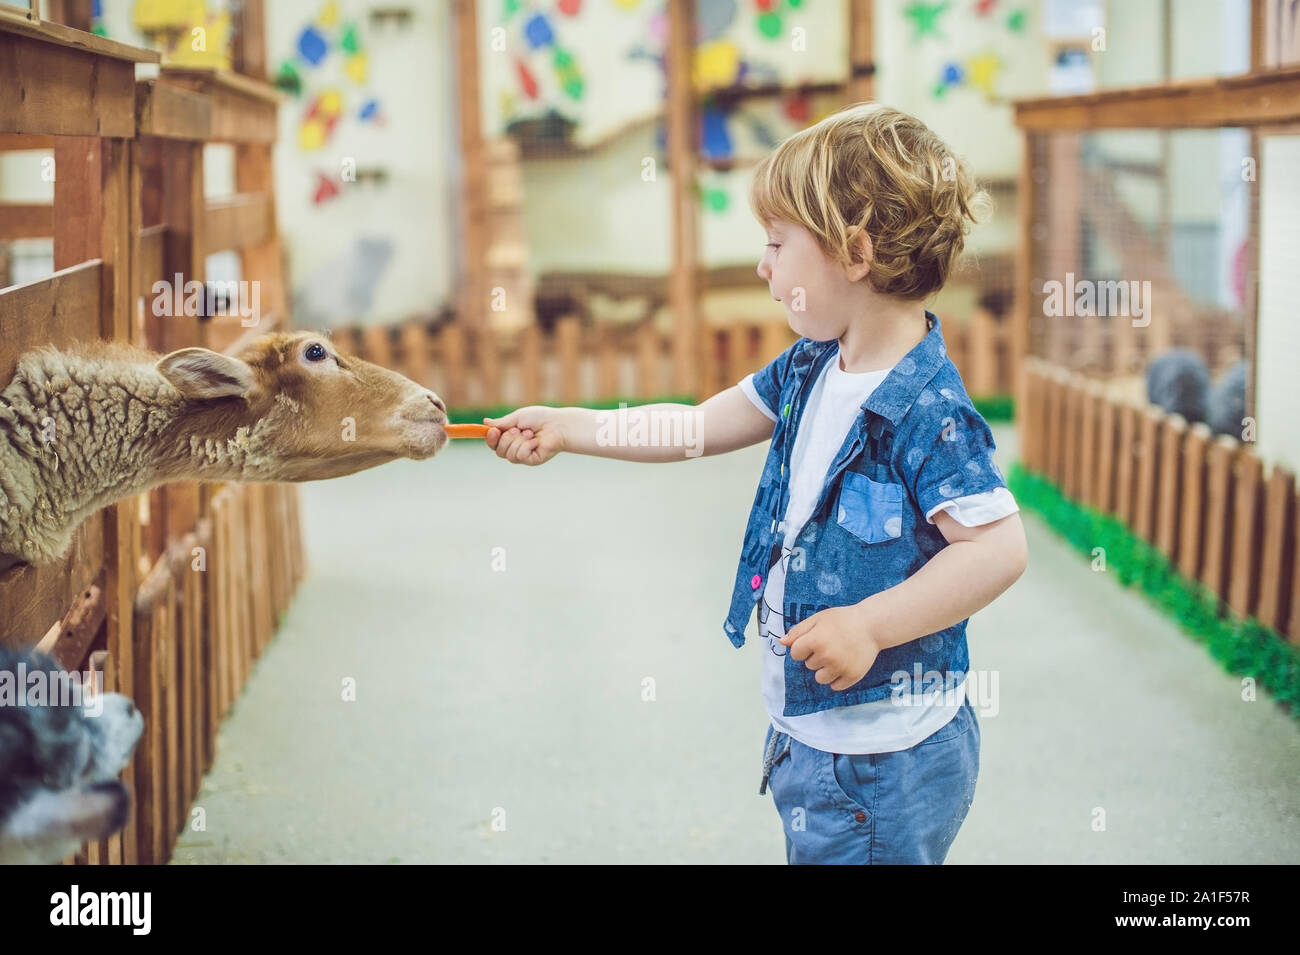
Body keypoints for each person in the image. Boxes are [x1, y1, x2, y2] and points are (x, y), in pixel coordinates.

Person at [481, 103, 1028, 864]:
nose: (764, 266)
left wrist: (872, 623)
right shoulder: (811, 363)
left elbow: (997, 550)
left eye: (776, 244)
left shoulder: (928, 410)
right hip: (815, 737)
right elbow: (697, 427)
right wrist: (572, 425)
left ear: (855, 251)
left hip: (882, 759)